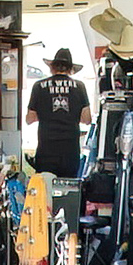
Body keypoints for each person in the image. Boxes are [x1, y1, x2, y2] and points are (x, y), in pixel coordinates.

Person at [26, 47, 91, 178]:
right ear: (71, 69)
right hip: (70, 151)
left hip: (46, 150)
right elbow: (87, 119)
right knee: (68, 188)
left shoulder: (39, 86)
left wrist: (46, 114)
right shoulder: (79, 87)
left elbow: (30, 119)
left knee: (45, 186)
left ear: (52, 67)